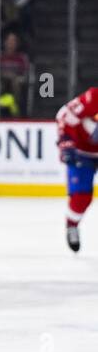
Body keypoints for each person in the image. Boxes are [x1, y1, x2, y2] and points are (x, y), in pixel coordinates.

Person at [56, 86, 98, 252]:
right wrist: (66, 141)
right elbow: (64, 115)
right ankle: (72, 225)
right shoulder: (93, 97)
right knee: (81, 198)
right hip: (82, 153)